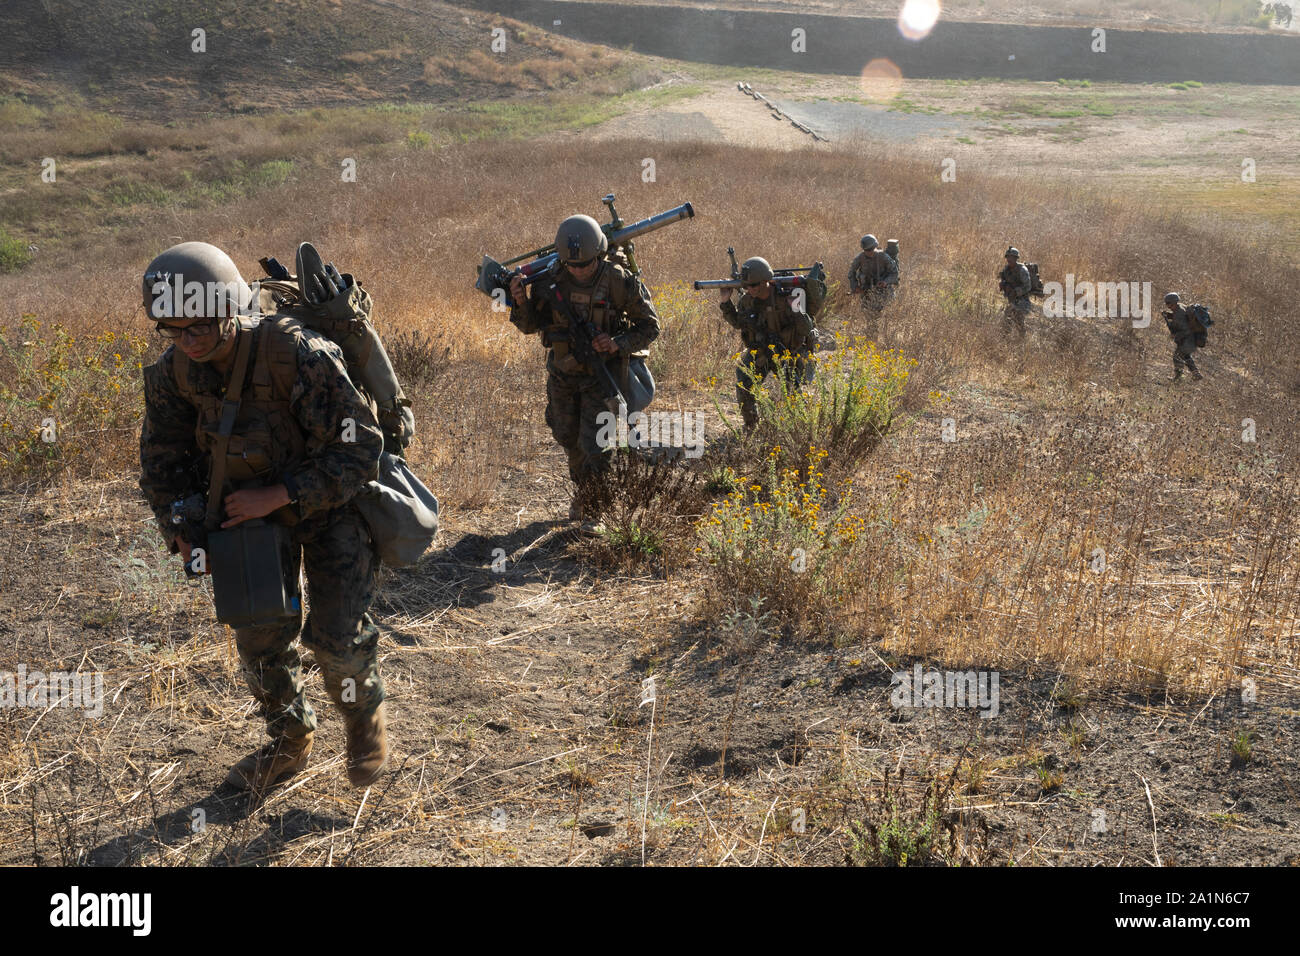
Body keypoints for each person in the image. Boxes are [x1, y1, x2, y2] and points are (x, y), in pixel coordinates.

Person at [138, 241, 389, 793]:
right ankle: (289, 740)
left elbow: (359, 449)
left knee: (338, 642)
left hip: (329, 507)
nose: (189, 341)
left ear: (229, 306)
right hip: (246, 519)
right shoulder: (172, 373)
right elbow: (162, 463)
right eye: (173, 330)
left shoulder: (297, 353)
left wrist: (282, 492)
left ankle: (364, 720)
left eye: (199, 326)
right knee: (260, 644)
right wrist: (179, 527)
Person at [508, 215, 660, 530]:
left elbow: (650, 327)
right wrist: (520, 302)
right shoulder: (551, 279)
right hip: (562, 375)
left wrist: (616, 342)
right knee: (567, 436)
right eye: (572, 265)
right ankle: (583, 491)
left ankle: (596, 508)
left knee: (597, 444)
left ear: (600, 254)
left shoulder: (618, 281)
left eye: (586, 264)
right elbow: (530, 326)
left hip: (601, 375)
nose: (578, 270)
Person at [718, 256, 816, 431]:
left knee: (793, 392)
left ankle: (801, 429)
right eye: (746, 286)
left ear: (766, 281)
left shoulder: (786, 296)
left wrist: (796, 310)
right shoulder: (747, 300)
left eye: (754, 285)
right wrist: (726, 302)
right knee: (743, 383)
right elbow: (738, 323)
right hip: (762, 352)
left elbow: (806, 328)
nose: (749, 289)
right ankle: (751, 427)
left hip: (788, 351)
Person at [847, 234, 898, 334]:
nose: (869, 252)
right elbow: (851, 273)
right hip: (867, 291)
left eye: (871, 249)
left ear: (875, 247)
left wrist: (885, 282)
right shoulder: (859, 258)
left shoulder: (883, 257)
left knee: (881, 313)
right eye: (867, 250)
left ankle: (879, 332)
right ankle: (872, 332)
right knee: (868, 314)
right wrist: (855, 287)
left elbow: (894, 273)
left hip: (884, 291)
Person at [1161, 292, 1204, 382]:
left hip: (1188, 340)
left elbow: (1186, 329)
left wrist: (1176, 335)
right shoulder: (1180, 307)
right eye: (1166, 303)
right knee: (1185, 356)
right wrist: (1169, 315)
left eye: (1169, 303)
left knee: (1177, 357)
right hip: (1190, 339)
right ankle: (1196, 374)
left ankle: (1178, 378)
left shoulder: (1178, 314)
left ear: (1174, 302)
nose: (1167, 305)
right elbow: (1181, 318)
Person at [998, 246, 1033, 338]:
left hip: (1023, 301)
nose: (1009, 259)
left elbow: (1028, 286)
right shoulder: (1007, 269)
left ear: (1016, 258)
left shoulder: (1022, 270)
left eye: (1011, 257)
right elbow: (1004, 280)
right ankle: (1005, 339)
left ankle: (1022, 340)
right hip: (1012, 300)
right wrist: (1003, 284)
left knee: (1018, 320)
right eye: (1008, 257)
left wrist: (1015, 291)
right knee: (1008, 319)